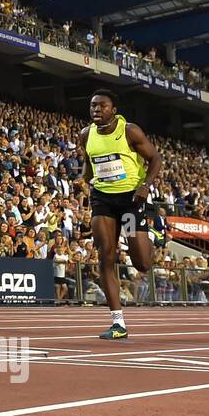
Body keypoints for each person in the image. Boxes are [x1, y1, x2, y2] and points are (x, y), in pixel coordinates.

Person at [79, 89, 162, 339]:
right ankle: (118, 324)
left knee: (142, 263)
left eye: (102, 106)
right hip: (102, 199)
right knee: (106, 256)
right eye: (93, 106)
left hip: (130, 199)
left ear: (113, 110)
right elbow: (89, 163)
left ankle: (151, 236)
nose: (96, 110)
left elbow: (155, 158)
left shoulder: (129, 131)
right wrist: (82, 178)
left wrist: (145, 186)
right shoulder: (85, 134)